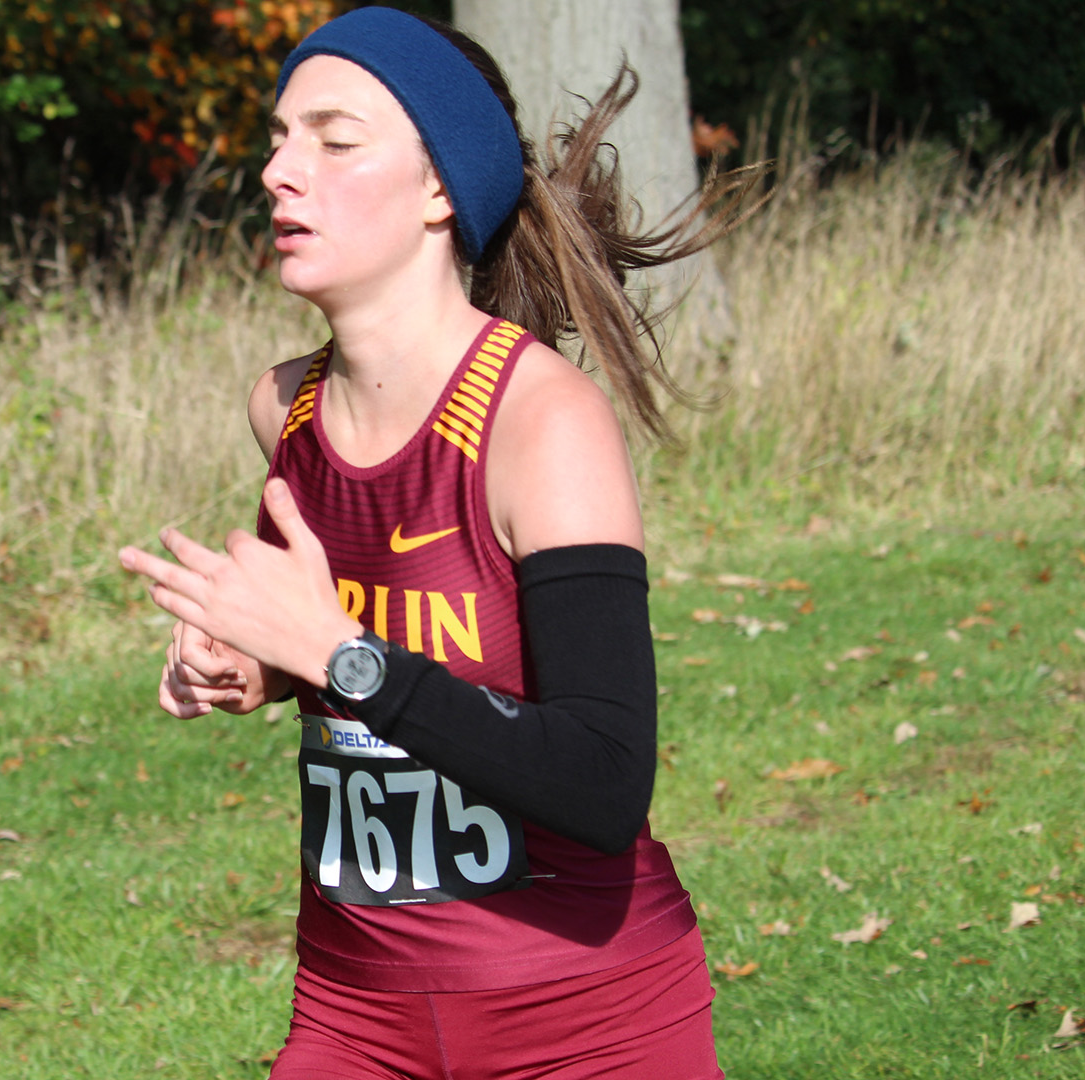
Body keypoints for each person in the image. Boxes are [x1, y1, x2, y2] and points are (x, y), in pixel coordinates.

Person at [118, 7, 753, 1078]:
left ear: (440, 188)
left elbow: (604, 781)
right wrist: (254, 665)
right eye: (279, 139)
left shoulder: (541, 422)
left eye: (334, 140)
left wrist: (337, 657)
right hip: (355, 1016)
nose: (278, 172)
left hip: (586, 1020)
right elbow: (342, 642)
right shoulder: (284, 408)